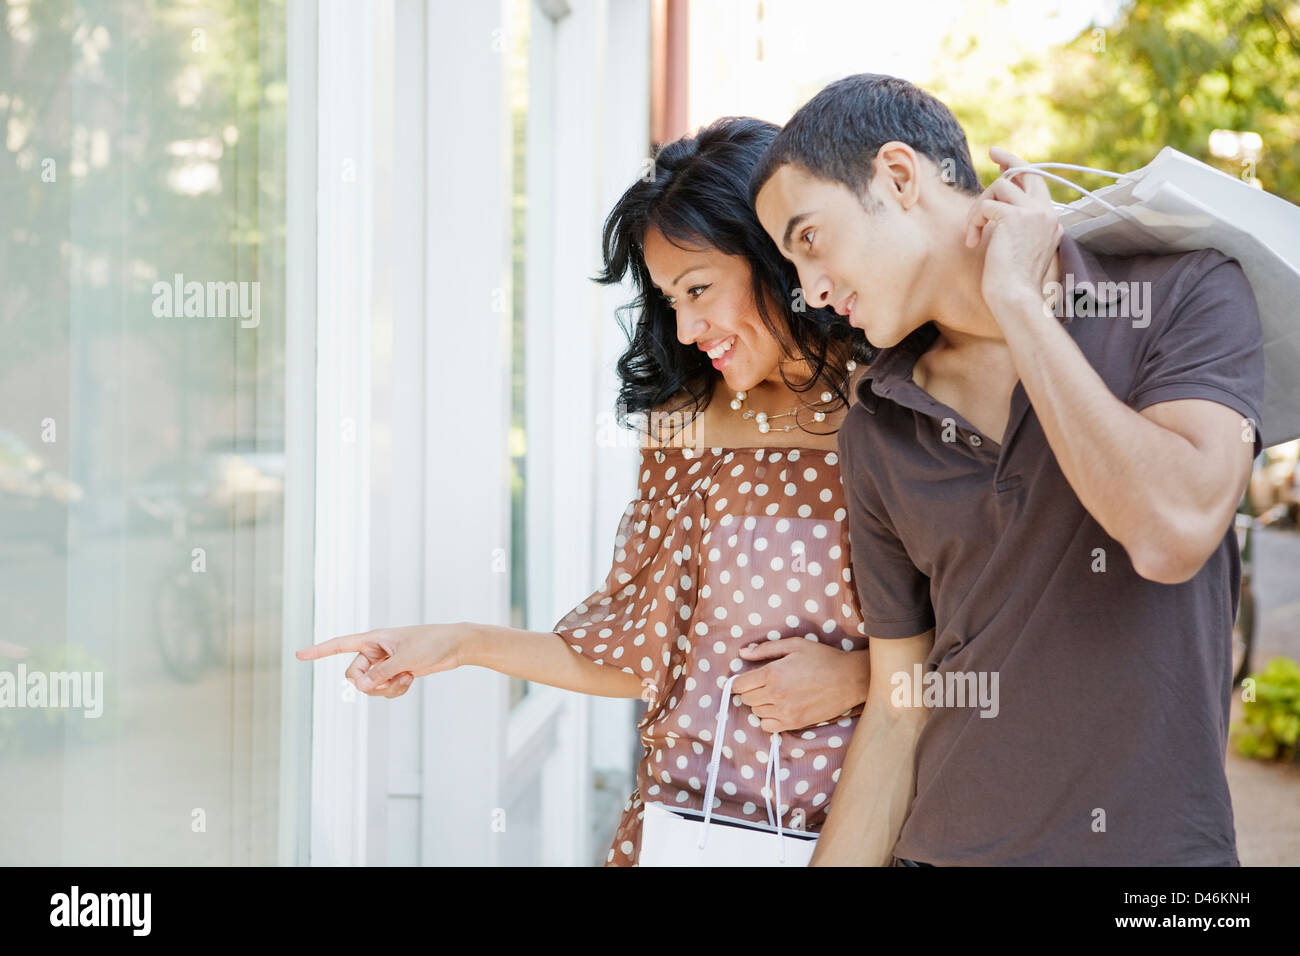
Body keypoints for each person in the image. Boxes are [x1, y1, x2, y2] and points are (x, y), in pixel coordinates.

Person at [297, 116, 879, 866]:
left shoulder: (895, 402)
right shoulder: (683, 418)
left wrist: (859, 677)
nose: (689, 325)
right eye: (670, 299)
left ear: (775, 256)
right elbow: (640, 648)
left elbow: (995, 636)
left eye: (700, 288)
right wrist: (459, 643)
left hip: (861, 830)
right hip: (682, 826)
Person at [750, 73, 1265, 866]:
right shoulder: (877, 424)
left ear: (898, 176)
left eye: (810, 238)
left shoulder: (1184, 295)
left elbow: (1173, 531)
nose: (812, 290)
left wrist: (1019, 304)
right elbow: (898, 708)